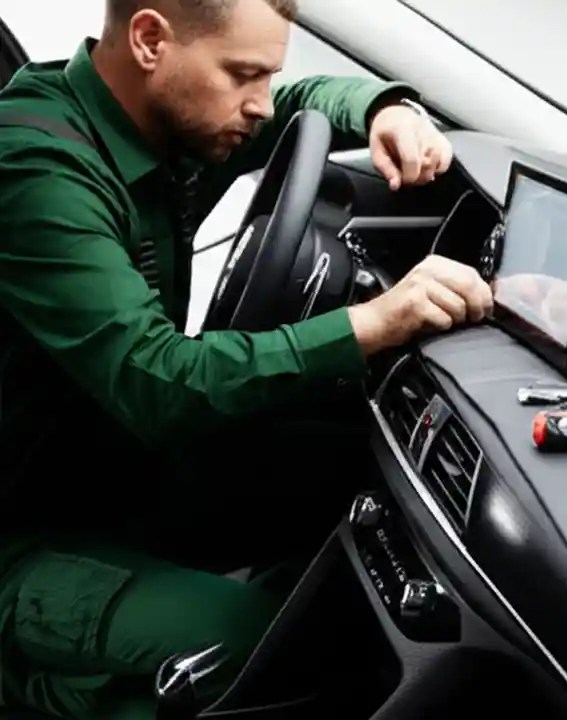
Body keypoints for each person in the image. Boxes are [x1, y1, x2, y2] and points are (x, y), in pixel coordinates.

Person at [0, 1, 493, 718]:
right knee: (258, 646)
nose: (259, 103)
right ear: (148, 40)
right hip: (23, 537)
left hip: (108, 480)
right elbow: (160, 383)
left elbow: (298, 102)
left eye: (266, 74)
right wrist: (371, 323)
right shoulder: (35, 169)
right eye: (243, 76)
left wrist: (383, 106)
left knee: (333, 483)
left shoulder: (163, 115)